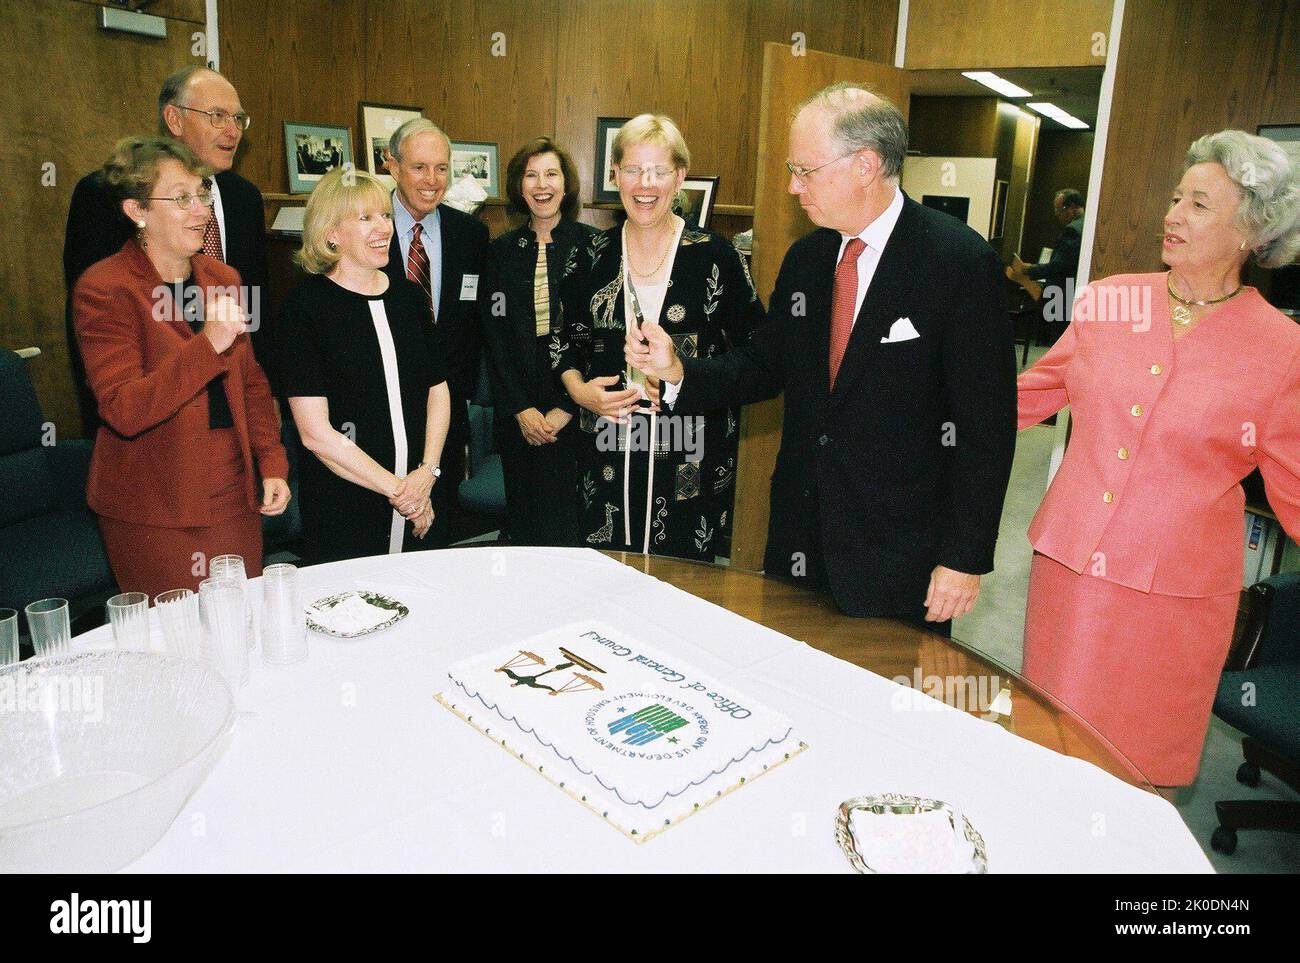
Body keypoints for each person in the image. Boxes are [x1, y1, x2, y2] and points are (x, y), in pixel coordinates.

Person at [626, 84, 1016, 628]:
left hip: (899, 555)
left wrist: (963, 558)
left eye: (805, 171)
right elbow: (765, 366)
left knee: (880, 704)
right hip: (799, 541)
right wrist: (677, 372)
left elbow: (985, 428)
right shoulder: (808, 259)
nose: (791, 187)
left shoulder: (958, 264)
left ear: (865, 165)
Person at [1015, 129, 1300, 787]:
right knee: (1044, 754)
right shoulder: (1112, 298)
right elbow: (1024, 397)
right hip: (1072, 573)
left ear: (1250, 232)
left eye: (1198, 204)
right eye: (1176, 197)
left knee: (1131, 778)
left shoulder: (1281, 349)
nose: (1171, 215)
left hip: (1176, 603)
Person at [72, 136, 288, 600]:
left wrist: (272, 462)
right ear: (138, 211)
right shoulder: (104, 288)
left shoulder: (223, 279)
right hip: (154, 504)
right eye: (183, 198)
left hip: (233, 490)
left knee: (239, 627)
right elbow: (124, 408)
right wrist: (207, 345)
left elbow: (251, 383)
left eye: (203, 194)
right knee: (176, 648)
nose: (202, 210)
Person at [558, 114, 763, 559]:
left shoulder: (715, 255)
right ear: (615, 176)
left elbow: (759, 356)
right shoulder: (590, 255)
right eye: (632, 170)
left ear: (680, 177)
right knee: (607, 584)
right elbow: (561, 342)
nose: (644, 184)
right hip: (607, 448)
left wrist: (684, 374)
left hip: (688, 448)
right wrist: (579, 392)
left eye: (659, 171)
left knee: (682, 593)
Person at [64, 66, 273, 432]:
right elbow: (94, 326)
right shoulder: (105, 196)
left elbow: (255, 306)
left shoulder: (246, 199)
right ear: (174, 119)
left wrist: (264, 404)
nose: (233, 130)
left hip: (233, 418)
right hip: (152, 426)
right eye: (218, 116)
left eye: (239, 118)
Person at [279, 168, 451, 565]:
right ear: (331, 233)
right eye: (365, 218)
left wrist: (427, 474)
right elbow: (315, 433)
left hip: (422, 490)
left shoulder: (408, 297)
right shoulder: (305, 308)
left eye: (385, 215)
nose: (384, 228)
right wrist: (400, 492)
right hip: (347, 503)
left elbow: (438, 390)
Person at [481, 138, 598, 545]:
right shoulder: (499, 253)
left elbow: (599, 336)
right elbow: (494, 340)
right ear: (519, 186)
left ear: (566, 186)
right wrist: (521, 409)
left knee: (572, 529)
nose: (541, 185)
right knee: (525, 525)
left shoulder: (594, 247)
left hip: (578, 408)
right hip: (520, 411)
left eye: (551, 174)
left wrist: (568, 406)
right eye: (531, 175)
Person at [382, 118, 489, 545]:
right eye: (419, 167)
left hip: (443, 420)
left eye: (441, 168)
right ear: (392, 166)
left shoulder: (472, 235)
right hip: (376, 415)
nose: (432, 180)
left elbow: (475, 327)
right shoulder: (365, 228)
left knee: (435, 540)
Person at [1007, 188, 1085, 302]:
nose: (1057, 214)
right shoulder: (1086, 225)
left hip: (1062, 297)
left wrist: (1027, 269)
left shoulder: (1072, 230)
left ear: (1072, 207)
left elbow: (1057, 267)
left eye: (1059, 210)